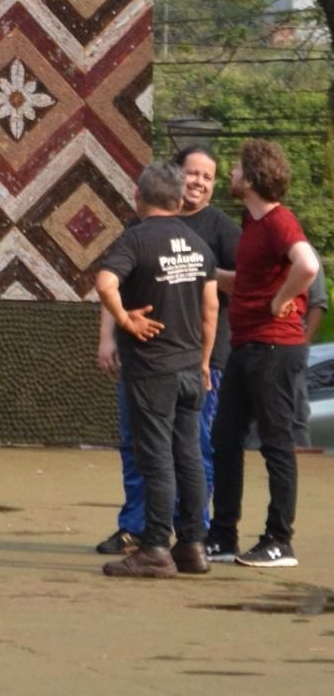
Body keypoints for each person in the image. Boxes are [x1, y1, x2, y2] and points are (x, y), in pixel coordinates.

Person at [95, 143, 238, 555]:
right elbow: (210, 310)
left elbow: (106, 284)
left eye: (208, 177)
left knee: (154, 455)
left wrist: (125, 321)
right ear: (176, 196)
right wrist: (205, 361)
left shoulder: (139, 239)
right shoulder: (199, 245)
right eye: (194, 174)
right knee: (188, 453)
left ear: (139, 197)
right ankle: (192, 544)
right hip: (193, 366)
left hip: (152, 368)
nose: (200, 183)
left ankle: (155, 547)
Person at [207, 138, 320, 568]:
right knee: (225, 437)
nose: (231, 174)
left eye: (236, 168)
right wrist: (204, 271)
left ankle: (279, 541)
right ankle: (223, 536)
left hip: (275, 347)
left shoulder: (278, 221)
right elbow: (244, 283)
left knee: (276, 443)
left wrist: (280, 301)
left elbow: (307, 265)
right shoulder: (252, 225)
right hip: (246, 345)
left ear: (252, 178)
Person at [292, 261, 327, 449]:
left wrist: (303, 345)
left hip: (290, 348)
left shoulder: (303, 251)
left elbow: (318, 303)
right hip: (250, 348)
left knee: (295, 418)